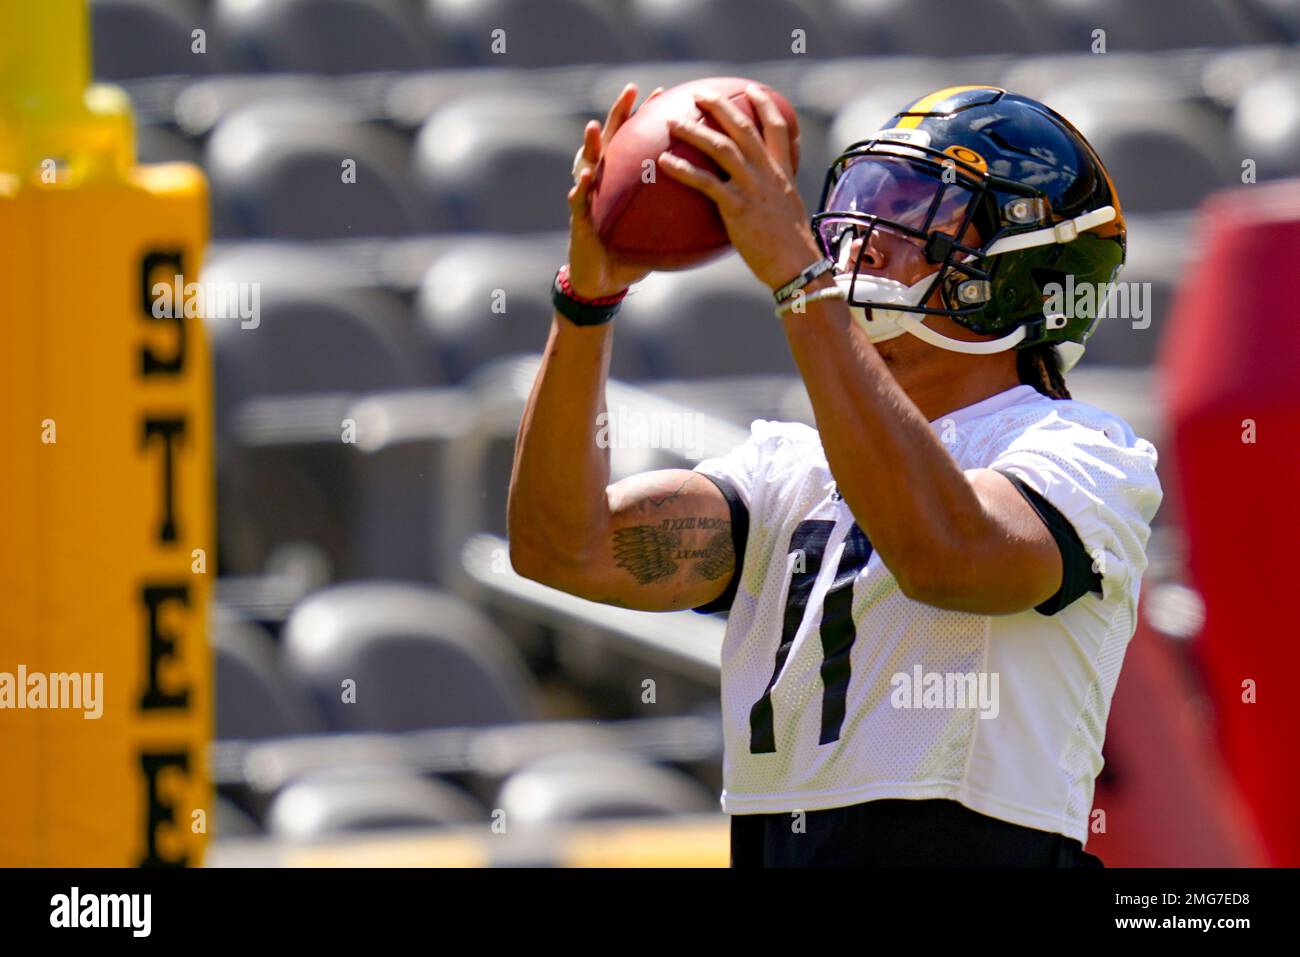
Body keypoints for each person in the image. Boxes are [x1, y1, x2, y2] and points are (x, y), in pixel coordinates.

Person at [507, 84, 1162, 867]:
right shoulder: (789, 466)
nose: (863, 234)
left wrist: (796, 275)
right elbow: (560, 546)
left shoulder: (1086, 451)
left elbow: (948, 554)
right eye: (862, 200)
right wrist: (588, 299)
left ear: (1025, 263)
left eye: (918, 209)